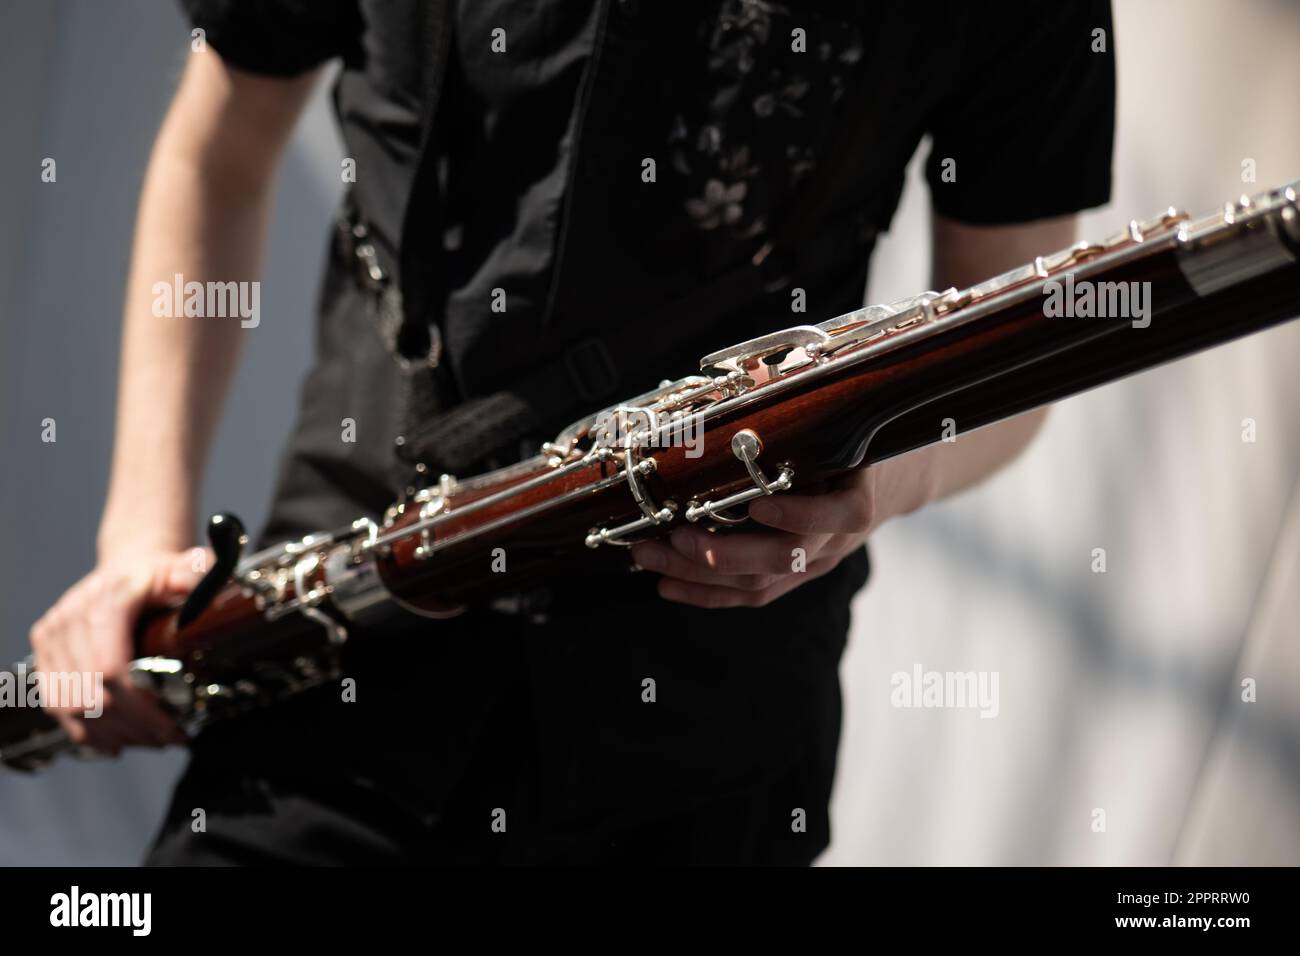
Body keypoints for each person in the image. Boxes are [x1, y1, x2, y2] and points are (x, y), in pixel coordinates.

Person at [29, 0, 1114, 864]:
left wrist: (883, 482)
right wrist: (141, 543)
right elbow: (219, 152)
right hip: (335, 680)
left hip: (704, 742)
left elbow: (1008, 345)